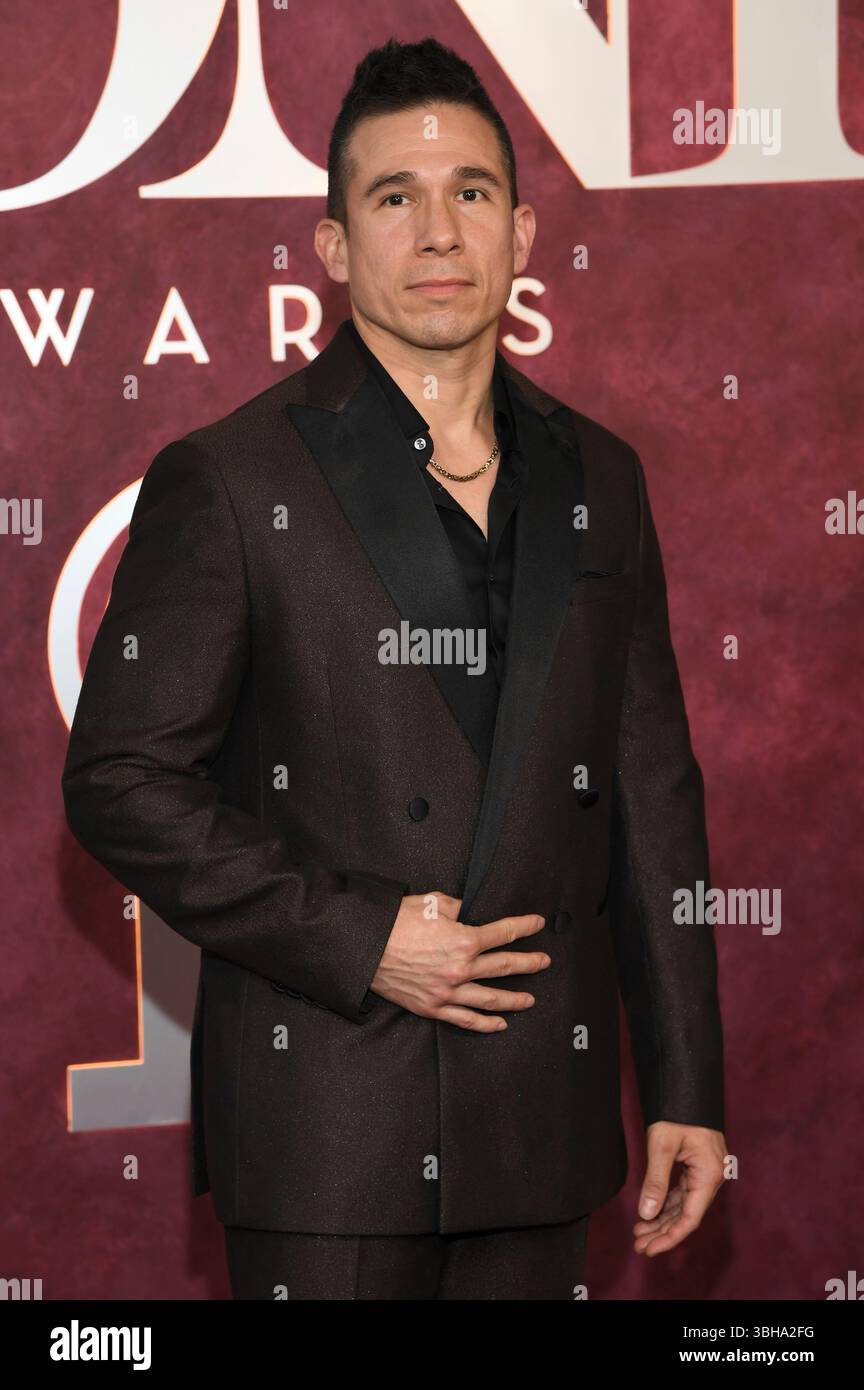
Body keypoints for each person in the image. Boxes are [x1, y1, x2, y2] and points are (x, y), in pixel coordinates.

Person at [61, 36, 726, 1300]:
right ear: (332, 247)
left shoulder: (604, 479)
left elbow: (653, 792)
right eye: (393, 197)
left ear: (523, 232)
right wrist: (363, 937)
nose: (437, 232)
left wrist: (688, 1083)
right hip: (328, 1132)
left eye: (470, 193)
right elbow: (120, 779)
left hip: (542, 1128)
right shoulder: (233, 477)